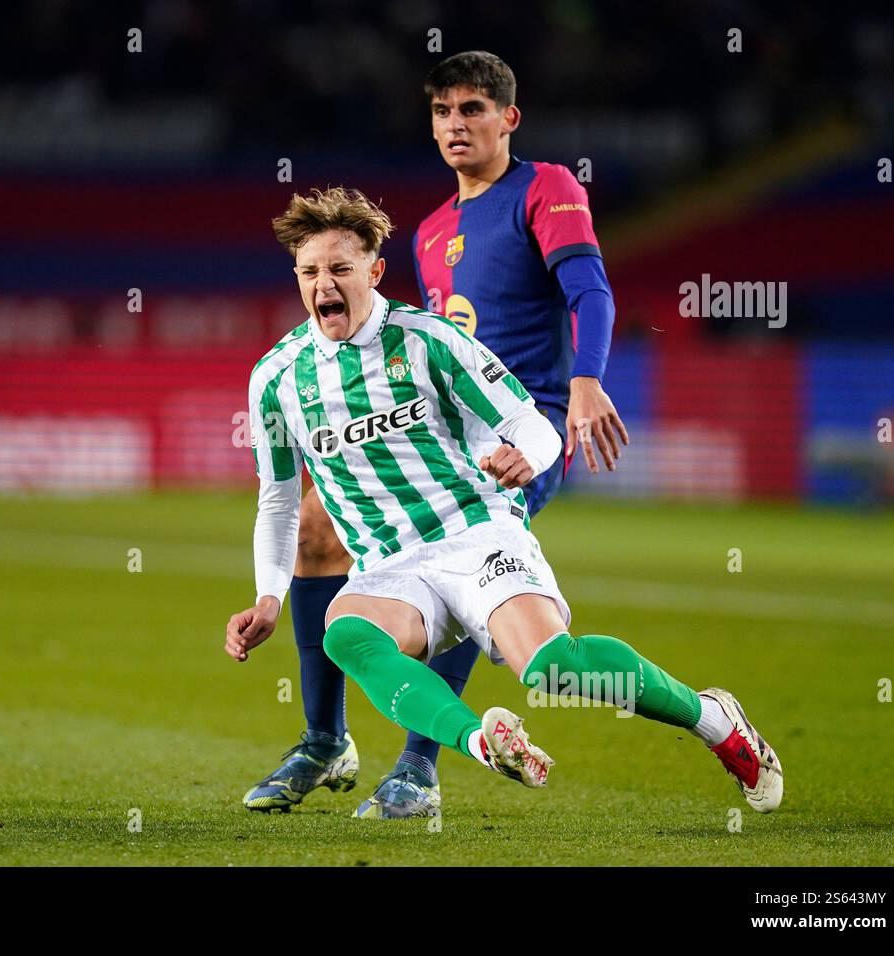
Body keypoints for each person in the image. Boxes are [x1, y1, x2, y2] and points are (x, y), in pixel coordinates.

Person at [228, 187, 782, 819]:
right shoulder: (276, 378)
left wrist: (529, 456)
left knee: (552, 670)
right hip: (389, 567)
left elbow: (534, 426)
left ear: (375, 272)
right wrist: (269, 597)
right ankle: (478, 743)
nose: (324, 284)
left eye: (340, 269)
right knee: (347, 633)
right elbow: (277, 501)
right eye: (310, 272)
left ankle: (713, 719)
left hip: (477, 536)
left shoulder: (430, 341)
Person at [243, 51, 631, 818]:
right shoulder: (428, 233)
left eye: (474, 110)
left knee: (456, 558)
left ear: (507, 119)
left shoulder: (544, 187)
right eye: (444, 112)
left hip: (524, 429)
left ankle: (420, 766)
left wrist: (586, 380)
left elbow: (588, 288)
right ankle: (327, 739)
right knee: (316, 531)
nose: (457, 125)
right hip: (447, 430)